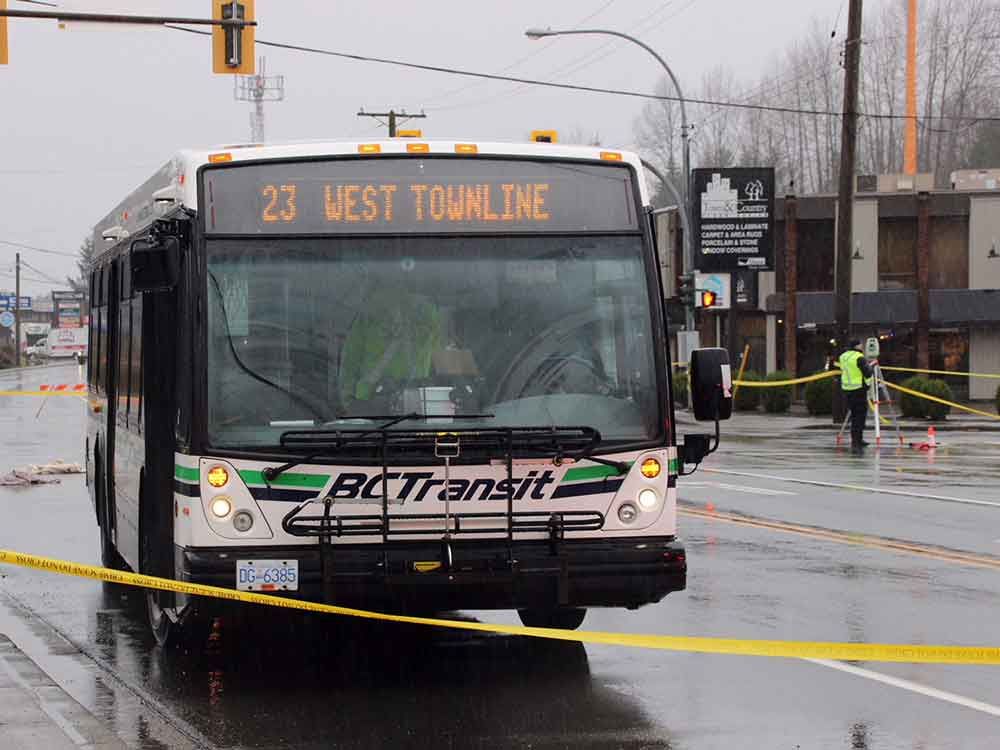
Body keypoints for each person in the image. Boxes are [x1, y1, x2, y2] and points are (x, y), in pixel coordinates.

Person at [838, 338, 873, 454]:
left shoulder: (843, 356)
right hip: (859, 389)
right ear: (857, 346)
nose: (862, 346)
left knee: (854, 415)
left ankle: (857, 439)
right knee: (859, 417)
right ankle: (857, 441)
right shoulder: (859, 357)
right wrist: (872, 366)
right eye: (861, 345)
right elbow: (867, 373)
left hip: (847, 389)